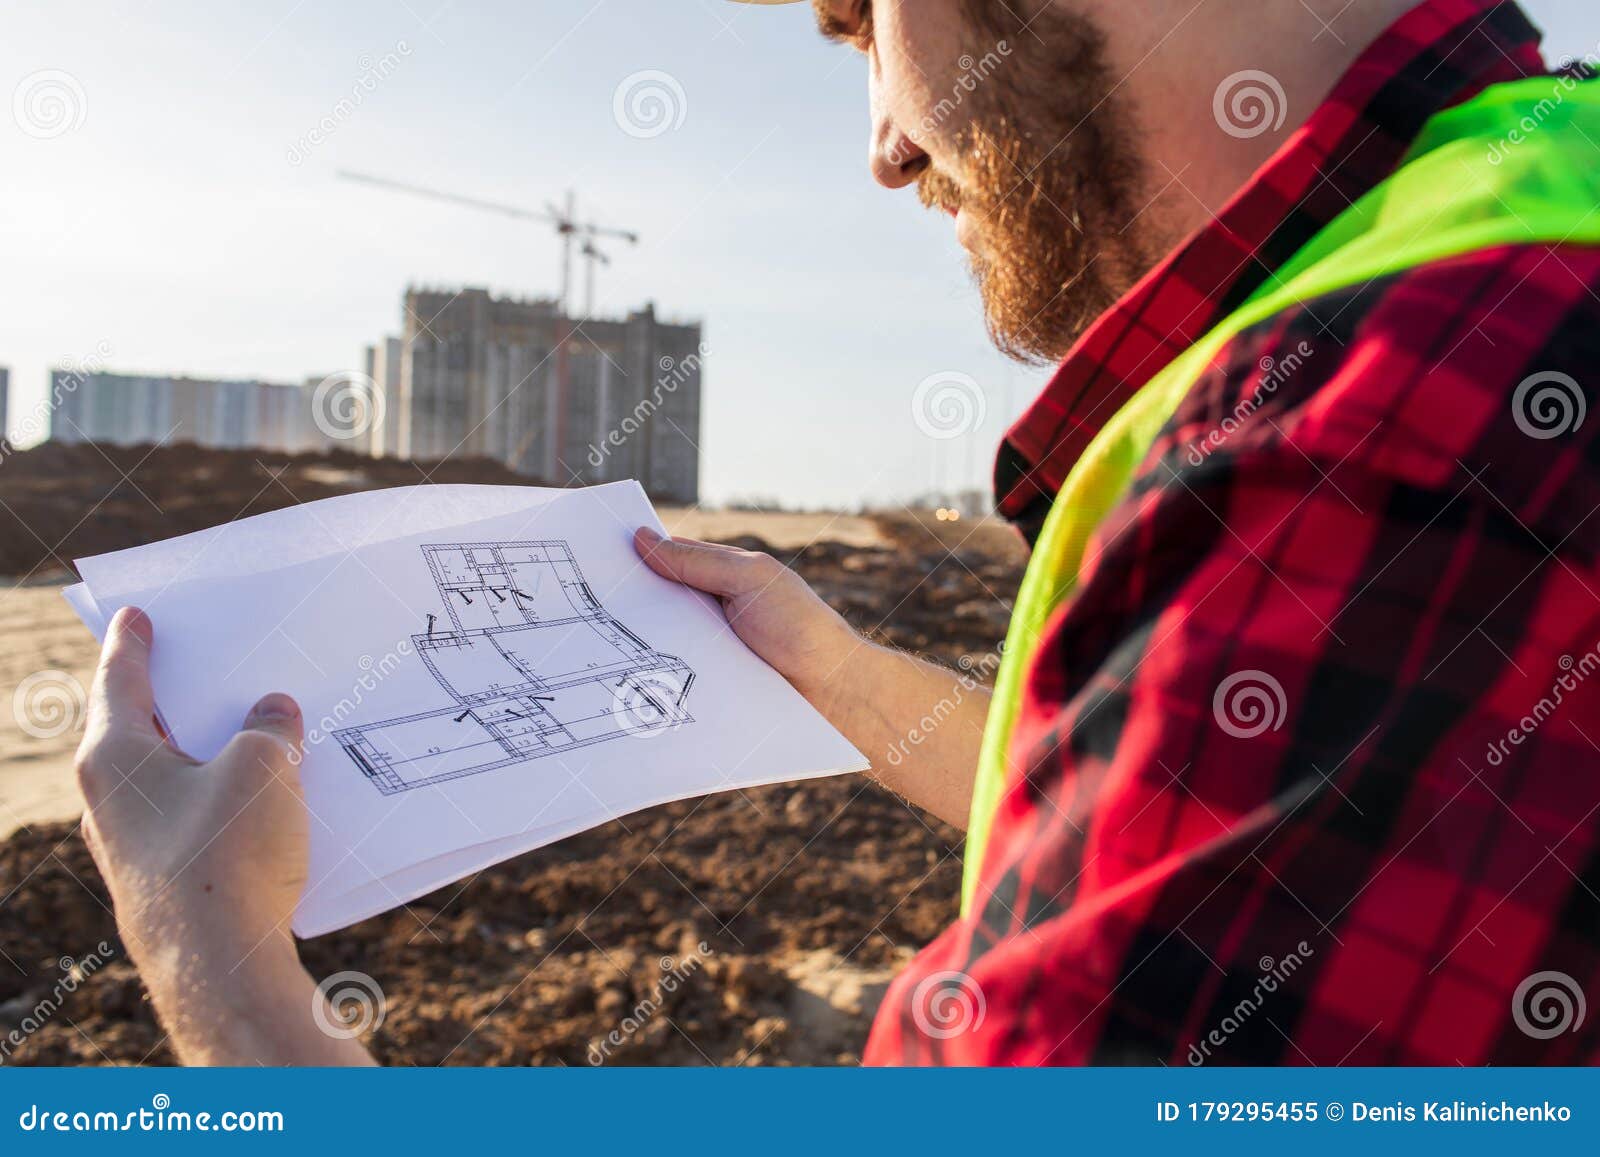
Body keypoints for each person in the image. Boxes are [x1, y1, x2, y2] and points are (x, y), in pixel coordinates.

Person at [78, 0, 1600, 1065]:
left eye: (861, 19)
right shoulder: (1531, 190)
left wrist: (209, 955)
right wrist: (845, 676)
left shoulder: (1375, 437)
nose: (882, 144)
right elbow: (1210, 814)